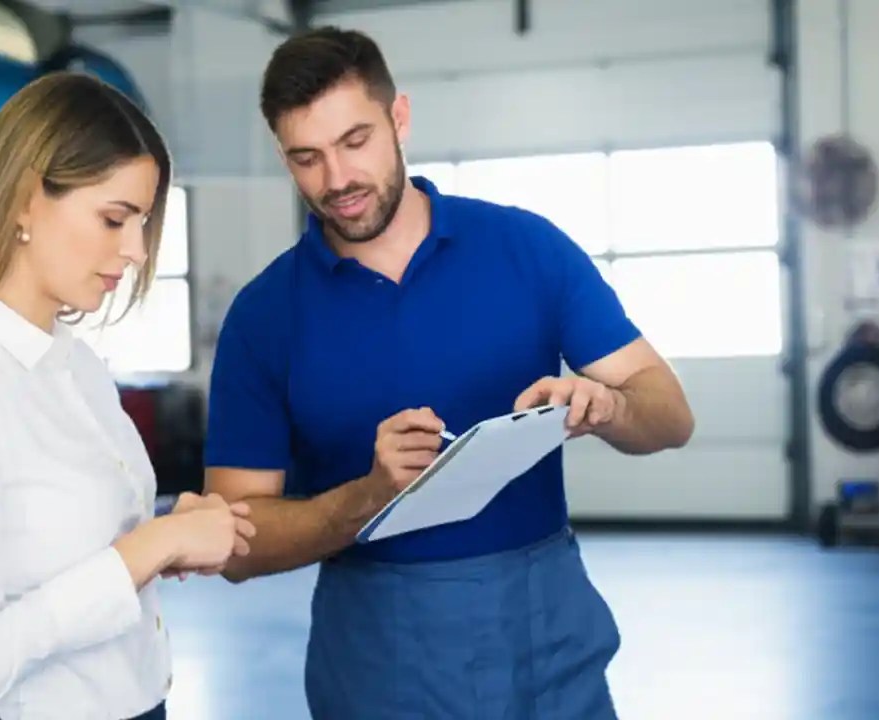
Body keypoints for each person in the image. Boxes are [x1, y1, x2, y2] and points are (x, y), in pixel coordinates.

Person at [204, 26, 695, 719]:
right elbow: (234, 543)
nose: (337, 180)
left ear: (399, 118)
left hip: (548, 633)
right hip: (377, 657)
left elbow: (671, 415)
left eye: (355, 141)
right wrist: (369, 495)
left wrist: (609, 406)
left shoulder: (525, 248)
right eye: (307, 158)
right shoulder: (265, 316)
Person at [0, 72, 255, 720]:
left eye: (143, 222)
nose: (136, 251)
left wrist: (168, 532)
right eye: (114, 218)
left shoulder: (76, 364)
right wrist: (146, 550)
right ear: (26, 200)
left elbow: (75, 544)